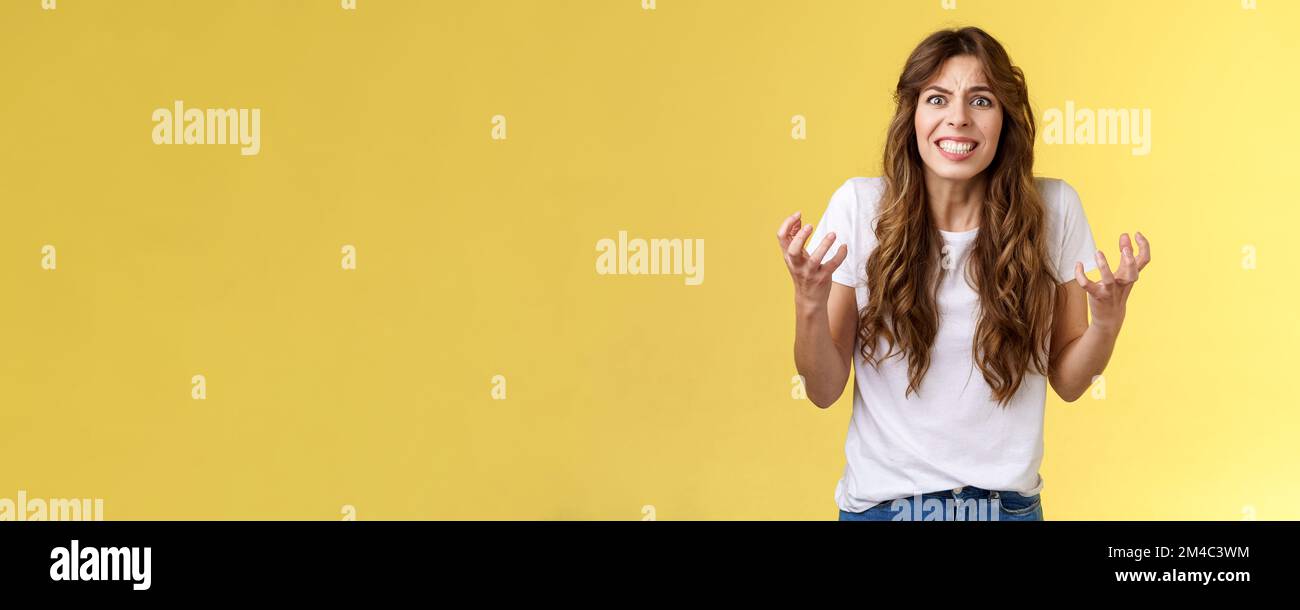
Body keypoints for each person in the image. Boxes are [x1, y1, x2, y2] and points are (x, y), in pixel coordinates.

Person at [774, 26, 1151, 521]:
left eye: (981, 101)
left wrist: (1107, 322)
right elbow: (823, 389)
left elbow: (1070, 382)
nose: (957, 119)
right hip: (886, 511)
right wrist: (807, 300)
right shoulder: (860, 206)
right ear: (911, 115)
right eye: (937, 99)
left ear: (1005, 120)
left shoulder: (1054, 208)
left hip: (1007, 511)